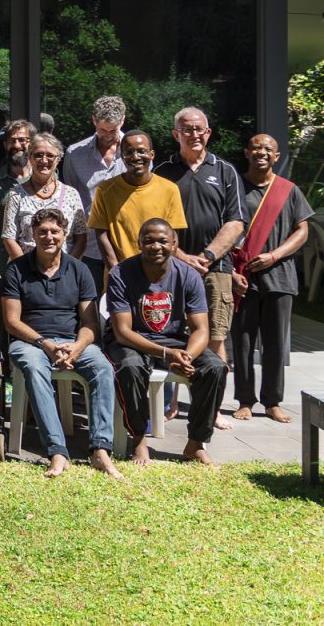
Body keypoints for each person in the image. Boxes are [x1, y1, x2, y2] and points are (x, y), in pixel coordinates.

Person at [0, 209, 121, 478]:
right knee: (33, 367)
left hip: (71, 342)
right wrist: (45, 344)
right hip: (30, 342)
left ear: (65, 235)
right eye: (42, 231)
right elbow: (11, 322)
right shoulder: (16, 269)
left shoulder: (79, 270)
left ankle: (100, 449)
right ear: (32, 234)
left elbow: (90, 323)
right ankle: (57, 451)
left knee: (102, 366)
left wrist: (77, 348)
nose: (49, 237)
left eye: (55, 231)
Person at [108, 219, 225, 465]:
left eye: (162, 240)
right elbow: (122, 332)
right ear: (139, 243)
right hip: (132, 340)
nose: (156, 246)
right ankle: (138, 438)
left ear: (174, 243)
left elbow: (201, 329)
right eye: (148, 241)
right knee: (130, 367)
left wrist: (187, 357)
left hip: (173, 340)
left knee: (215, 367)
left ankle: (195, 443)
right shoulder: (120, 273)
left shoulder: (189, 275)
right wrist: (166, 354)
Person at [154, 107, 245, 373]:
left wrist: (206, 256)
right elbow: (155, 224)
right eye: (187, 129)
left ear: (208, 133)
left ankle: (213, 409)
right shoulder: (162, 171)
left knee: (215, 335)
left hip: (215, 269)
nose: (194, 134)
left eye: (199, 129)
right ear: (175, 134)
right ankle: (171, 405)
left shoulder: (226, 170)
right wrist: (181, 256)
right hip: (171, 269)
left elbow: (236, 221)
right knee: (170, 332)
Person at [231, 134, 313, 423]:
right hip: (243, 279)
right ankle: (244, 400)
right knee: (242, 342)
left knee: (275, 343)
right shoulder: (235, 187)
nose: (261, 152)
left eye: (268, 149)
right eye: (255, 147)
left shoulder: (288, 191)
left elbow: (302, 231)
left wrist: (274, 255)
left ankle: (272, 402)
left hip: (280, 278)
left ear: (276, 156)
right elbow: (223, 231)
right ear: (247, 152)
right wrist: (229, 272)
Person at [87, 131, 187, 275]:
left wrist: (161, 273)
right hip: (120, 276)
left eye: (141, 151)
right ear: (122, 156)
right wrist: (116, 272)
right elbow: (101, 234)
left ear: (152, 155)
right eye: (129, 152)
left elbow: (173, 237)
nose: (135, 157)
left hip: (158, 278)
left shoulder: (170, 189)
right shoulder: (105, 190)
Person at [63, 96, 127, 287]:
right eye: (102, 130)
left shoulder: (136, 150)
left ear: (122, 120)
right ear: (93, 120)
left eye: (113, 131)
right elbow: (71, 198)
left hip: (126, 241)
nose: (107, 136)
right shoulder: (75, 153)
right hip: (89, 245)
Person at [2, 133, 87, 261]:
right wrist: (27, 269)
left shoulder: (71, 194)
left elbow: (81, 237)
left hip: (63, 273)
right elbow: (9, 237)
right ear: (30, 158)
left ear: (58, 159)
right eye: (38, 155)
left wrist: (67, 267)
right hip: (25, 273)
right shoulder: (16, 195)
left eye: (50, 155)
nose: (44, 160)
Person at [0, 119, 37, 200]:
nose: (16, 146)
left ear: (33, 143)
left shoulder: (44, 176)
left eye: (22, 140)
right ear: (5, 145)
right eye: (11, 141)